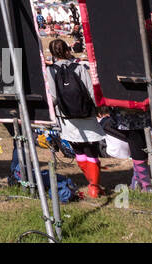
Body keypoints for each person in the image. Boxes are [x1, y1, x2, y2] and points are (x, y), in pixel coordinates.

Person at [45, 37, 106, 198]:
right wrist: (98, 107)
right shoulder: (79, 67)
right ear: (67, 49)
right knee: (91, 150)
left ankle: (92, 183)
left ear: (52, 53)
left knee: (78, 150)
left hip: (65, 116)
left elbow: (53, 95)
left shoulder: (50, 71)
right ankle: (94, 186)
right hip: (86, 113)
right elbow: (89, 89)